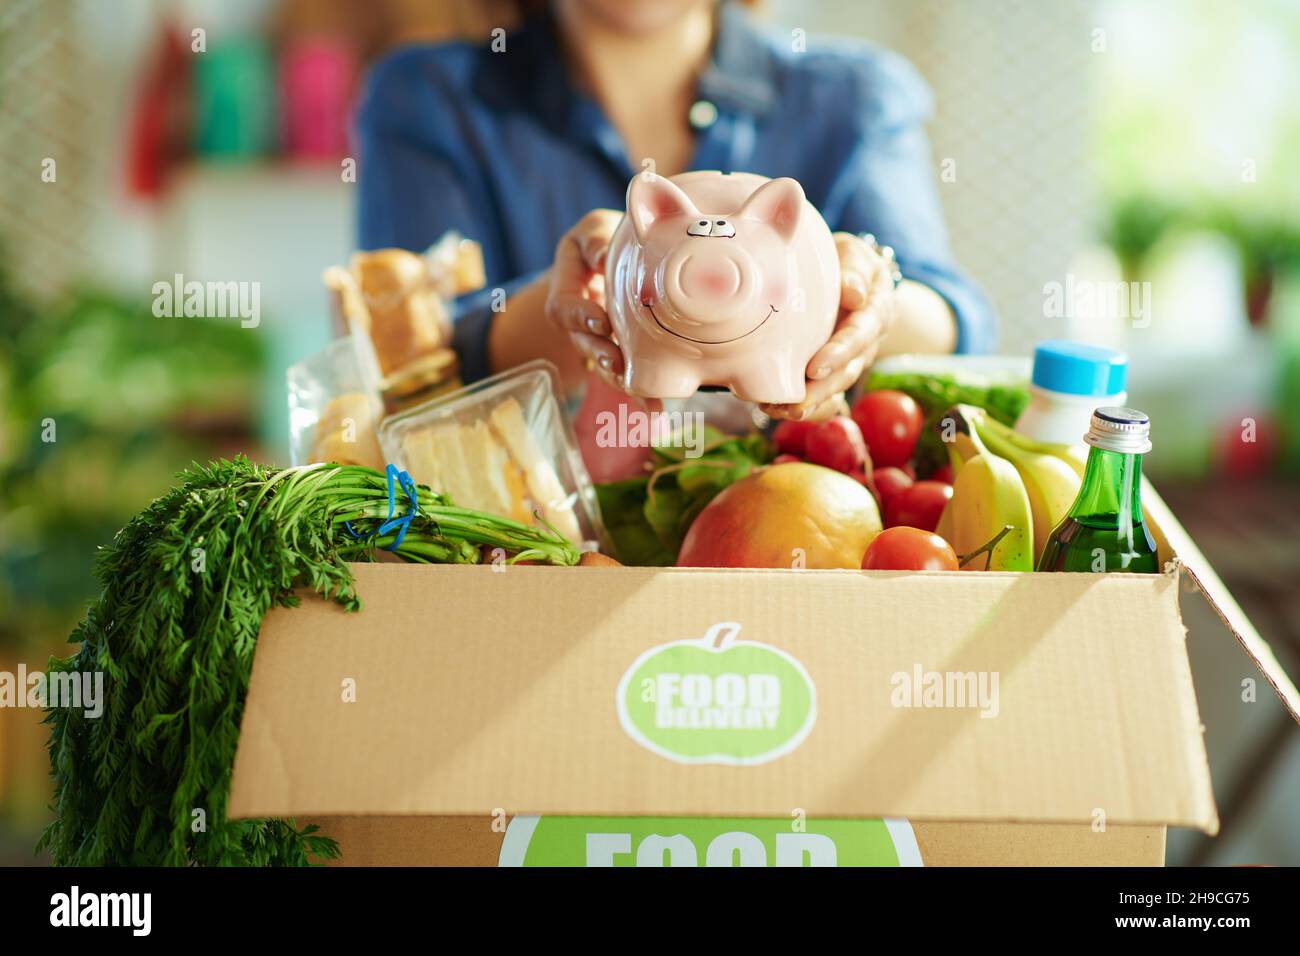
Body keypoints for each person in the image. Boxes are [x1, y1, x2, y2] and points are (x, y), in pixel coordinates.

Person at [356, 0, 994, 423]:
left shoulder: (854, 96)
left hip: (810, 531)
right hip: (536, 548)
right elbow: (413, 363)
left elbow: (953, 318)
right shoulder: (427, 97)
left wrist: (847, 285)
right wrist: (590, 298)